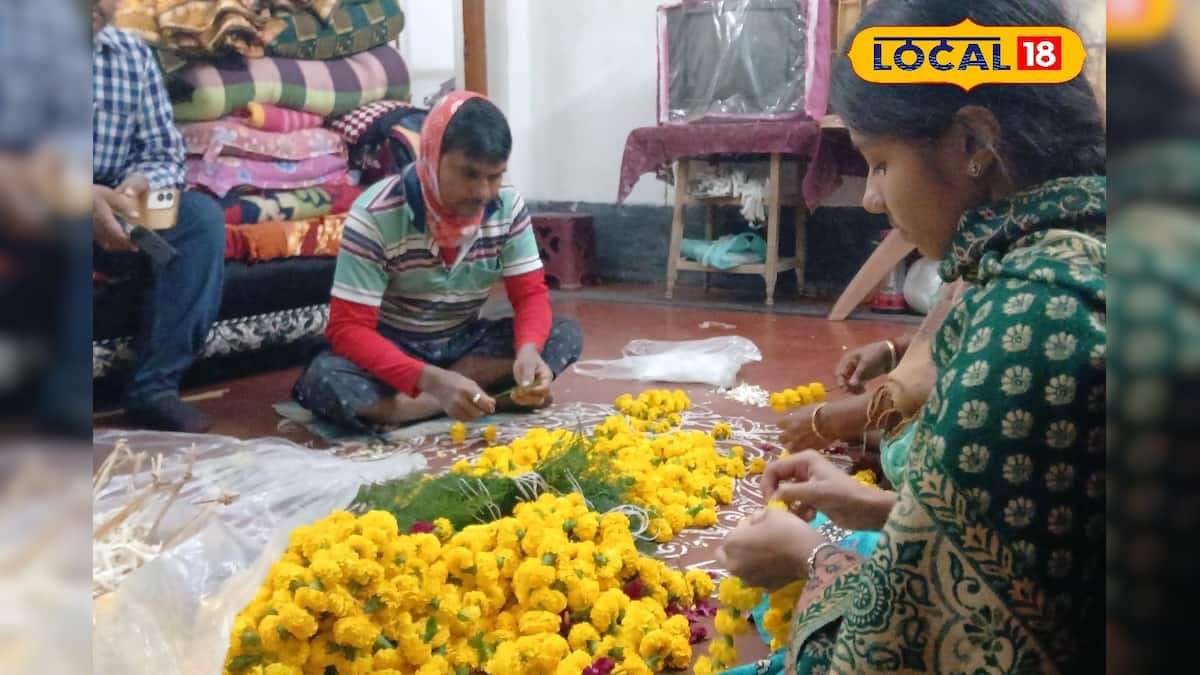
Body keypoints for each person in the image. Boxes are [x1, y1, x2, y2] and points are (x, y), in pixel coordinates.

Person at [715, 1, 1106, 672]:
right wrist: (872, 507)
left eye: (879, 163)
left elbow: (903, 650)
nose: (872, 198)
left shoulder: (1034, 321)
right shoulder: (1082, 244)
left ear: (973, 144)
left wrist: (814, 558)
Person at [293, 92, 583, 430]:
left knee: (562, 334)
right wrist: (431, 380)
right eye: (469, 174)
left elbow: (530, 294)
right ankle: (457, 396)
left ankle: (414, 405)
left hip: (462, 341)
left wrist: (528, 351)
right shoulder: (374, 215)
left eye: (495, 176)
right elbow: (349, 329)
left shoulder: (508, 208)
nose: (483, 192)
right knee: (326, 377)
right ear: (431, 156)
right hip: (395, 346)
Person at [92, 0, 225, 432]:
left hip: (118, 204)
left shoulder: (131, 54)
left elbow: (164, 153)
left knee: (198, 221)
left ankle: (154, 388)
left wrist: (136, 187)